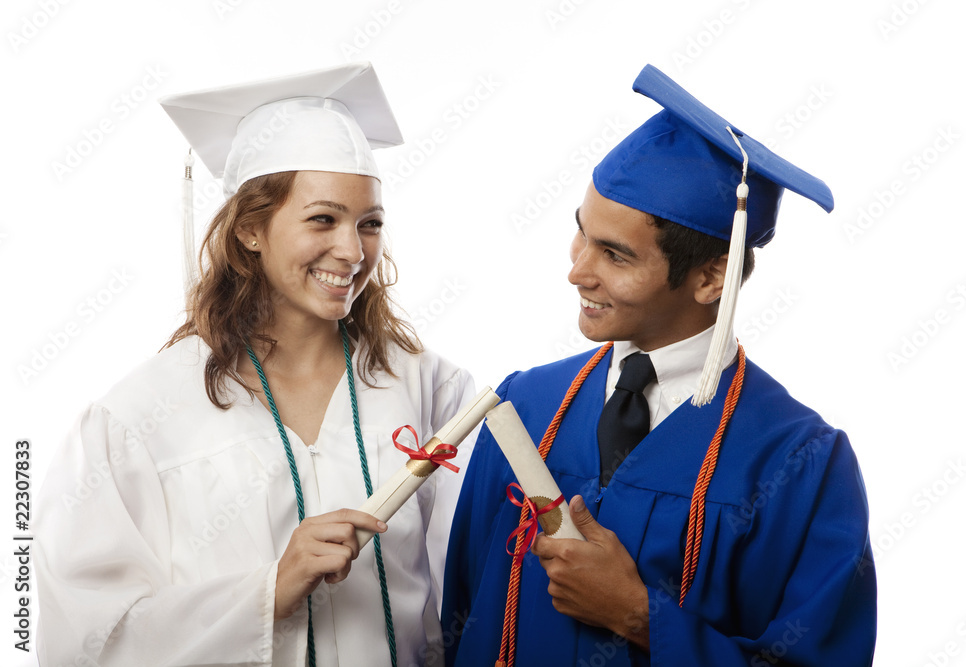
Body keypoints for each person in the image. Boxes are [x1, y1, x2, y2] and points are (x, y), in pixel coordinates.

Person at [35, 62, 476, 667]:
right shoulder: (140, 417)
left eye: (369, 224)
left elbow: (476, 591)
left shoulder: (432, 390)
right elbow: (86, 639)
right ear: (250, 228)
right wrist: (266, 593)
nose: (351, 251)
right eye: (322, 219)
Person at [443, 64, 876, 666]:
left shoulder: (799, 461)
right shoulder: (525, 408)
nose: (577, 271)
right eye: (581, 236)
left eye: (615, 255)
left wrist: (638, 616)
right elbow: (460, 617)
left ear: (710, 277)